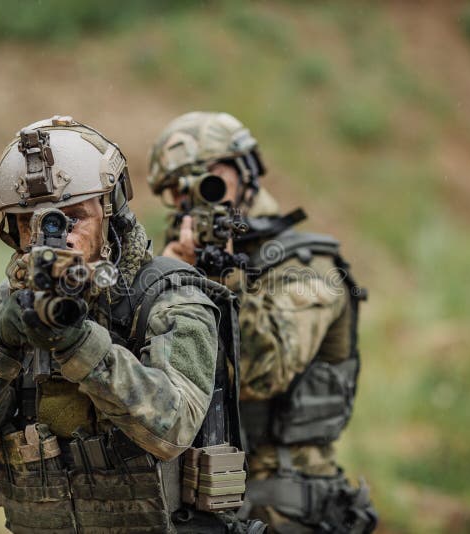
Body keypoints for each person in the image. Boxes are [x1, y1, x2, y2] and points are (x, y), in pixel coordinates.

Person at [0, 116, 263, 534]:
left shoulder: (169, 297)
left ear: (110, 214)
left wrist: (79, 345)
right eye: (30, 223)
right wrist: (0, 343)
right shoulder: (1, 309)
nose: (56, 238)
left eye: (73, 218)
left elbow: (172, 428)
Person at [147, 111, 378, 533]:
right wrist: (166, 281)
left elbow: (262, 371)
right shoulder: (174, 263)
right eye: (179, 191)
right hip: (201, 495)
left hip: (280, 499)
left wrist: (218, 279)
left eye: (208, 180)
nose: (194, 198)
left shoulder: (306, 268)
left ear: (247, 171)